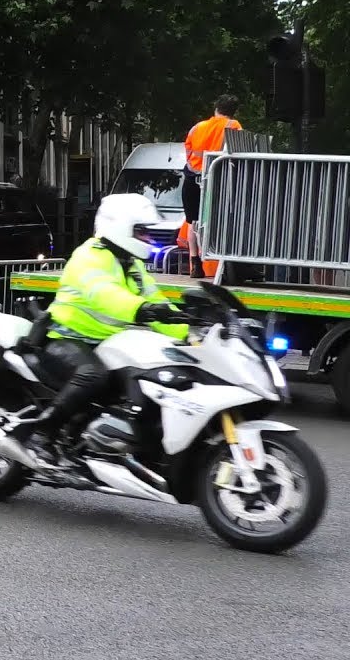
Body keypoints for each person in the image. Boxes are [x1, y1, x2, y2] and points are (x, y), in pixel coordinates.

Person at [26, 193, 189, 466]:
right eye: (141, 231)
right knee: (93, 376)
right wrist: (142, 309)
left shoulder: (132, 265)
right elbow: (105, 295)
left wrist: (187, 330)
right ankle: (42, 433)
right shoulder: (88, 257)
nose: (148, 238)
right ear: (121, 226)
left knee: (145, 377)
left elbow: (156, 300)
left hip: (104, 342)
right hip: (64, 337)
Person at [182, 94, 241, 278]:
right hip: (217, 181)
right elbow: (239, 153)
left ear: (216, 108)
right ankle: (223, 264)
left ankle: (195, 264)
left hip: (192, 178)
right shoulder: (233, 125)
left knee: (192, 221)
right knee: (220, 220)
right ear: (233, 111)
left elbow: (188, 150)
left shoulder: (197, 127)